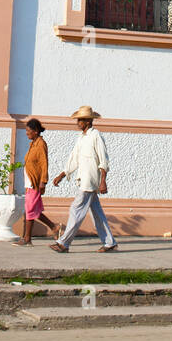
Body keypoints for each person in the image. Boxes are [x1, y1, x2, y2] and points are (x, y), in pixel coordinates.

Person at [50, 106, 118, 253]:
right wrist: (62, 175)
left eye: (80, 120)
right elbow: (74, 159)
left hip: (90, 180)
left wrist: (103, 181)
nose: (78, 122)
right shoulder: (81, 138)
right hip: (84, 179)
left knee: (76, 209)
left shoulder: (96, 136)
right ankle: (109, 242)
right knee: (97, 213)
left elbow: (103, 160)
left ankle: (64, 243)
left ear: (88, 121)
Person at [20, 119, 61, 246]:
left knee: (30, 209)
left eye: (28, 131)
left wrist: (43, 181)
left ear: (36, 131)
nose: (26, 133)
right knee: (34, 210)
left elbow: (44, 163)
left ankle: (27, 239)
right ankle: (54, 227)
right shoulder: (33, 144)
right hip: (29, 183)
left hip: (35, 183)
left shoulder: (41, 144)